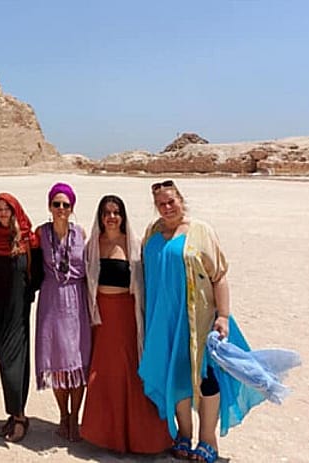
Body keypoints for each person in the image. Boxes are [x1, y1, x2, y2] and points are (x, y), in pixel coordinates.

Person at [138, 180, 264, 463]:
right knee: (176, 375)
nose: (167, 208)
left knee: (206, 376)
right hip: (163, 321)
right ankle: (184, 433)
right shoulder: (153, 232)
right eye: (161, 204)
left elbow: (219, 276)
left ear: (181, 199)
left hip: (199, 318)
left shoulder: (200, 231)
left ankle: (208, 440)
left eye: (171, 201)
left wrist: (223, 315)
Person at [81, 194, 172, 454]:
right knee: (105, 376)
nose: (111, 217)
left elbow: (147, 279)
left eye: (116, 212)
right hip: (101, 320)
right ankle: (109, 437)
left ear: (123, 216)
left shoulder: (134, 246)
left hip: (126, 318)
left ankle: (142, 438)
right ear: (100, 216)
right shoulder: (92, 246)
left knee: (130, 375)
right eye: (106, 212)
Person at [34, 182, 91, 442]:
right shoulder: (40, 233)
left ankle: (75, 418)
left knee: (77, 360)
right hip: (51, 301)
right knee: (56, 361)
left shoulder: (81, 233)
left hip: (76, 302)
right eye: (56, 204)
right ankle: (62, 415)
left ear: (72, 207)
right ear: (49, 206)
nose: (60, 209)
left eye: (65, 205)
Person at [0, 192, 38, 444]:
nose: (3, 213)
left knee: (14, 361)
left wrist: (25, 296)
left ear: (15, 210)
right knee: (5, 362)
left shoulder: (28, 238)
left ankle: (20, 416)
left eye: (7, 208)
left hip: (17, 310)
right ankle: (13, 412)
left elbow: (38, 273)